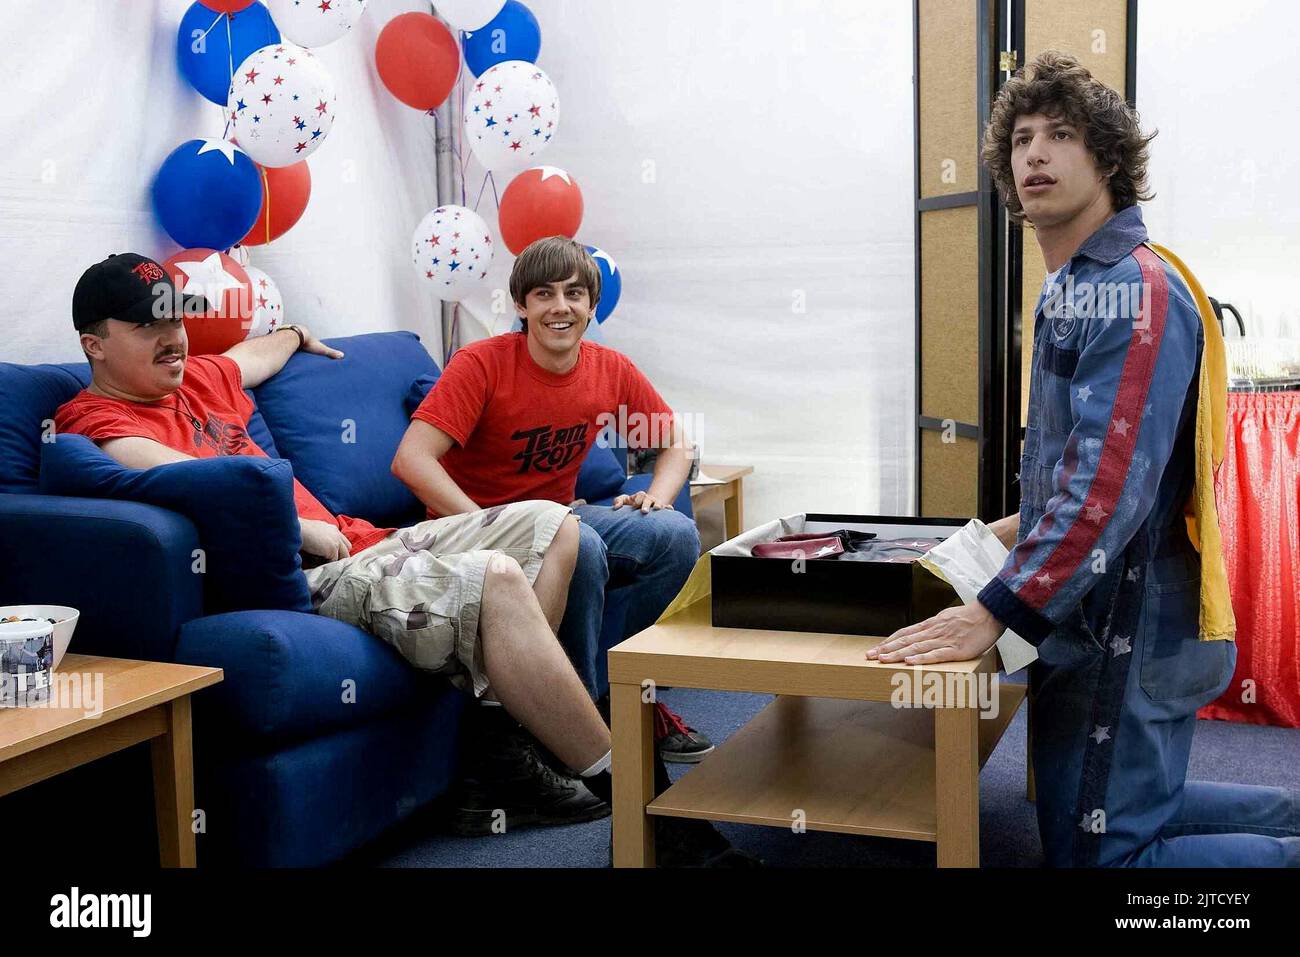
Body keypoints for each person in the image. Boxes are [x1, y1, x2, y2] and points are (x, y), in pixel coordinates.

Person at [54, 253, 748, 865]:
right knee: (499, 577)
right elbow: (177, 475)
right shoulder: (98, 421)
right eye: (148, 326)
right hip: (314, 572)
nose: (172, 335)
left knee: (558, 526)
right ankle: (640, 799)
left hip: (371, 537)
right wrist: (298, 527)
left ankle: (499, 747)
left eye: (177, 318)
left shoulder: (200, 377)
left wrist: (294, 334)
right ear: (95, 343)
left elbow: (250, 356)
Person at [870, 52, 1299, 867]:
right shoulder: (1074, 285)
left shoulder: (1131, 291)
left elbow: (1105, 488)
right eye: (1022, 138)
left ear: (1106, 158)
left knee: (1105, 864)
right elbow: (1071, 471)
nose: (1034, 154)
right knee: (1123, 810)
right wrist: (978, 542)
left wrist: (993, 610)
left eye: (1060, 135)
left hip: (1127, 629)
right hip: (1093, 618)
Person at [392, 236, 713, 764]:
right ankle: (578, 727)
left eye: (574, 294)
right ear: (521, 305)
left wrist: (655, 497)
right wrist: (487, 523)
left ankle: (627, 699)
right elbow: (412, 459)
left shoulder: (609, 367)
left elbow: (674, 442)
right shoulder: (481, 364)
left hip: (562, 516)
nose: (560, 307)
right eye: (544, 294)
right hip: (472, 532)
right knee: (578, 542)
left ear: (591, 305)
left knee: (673, 535)